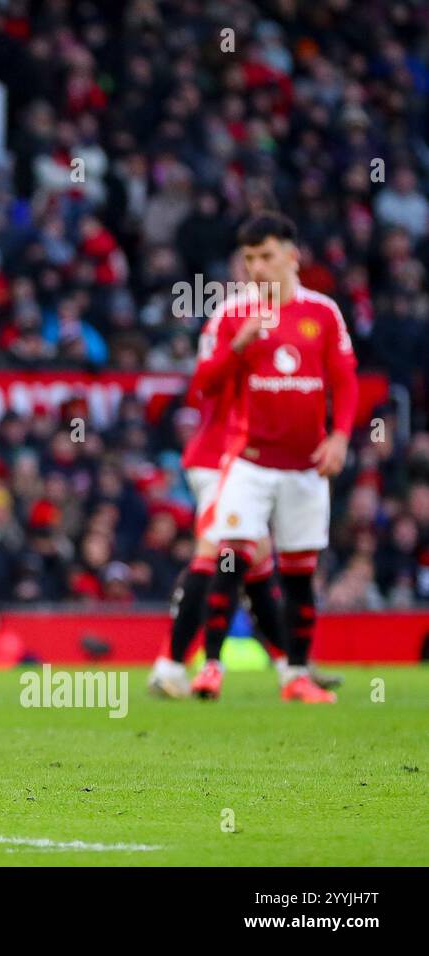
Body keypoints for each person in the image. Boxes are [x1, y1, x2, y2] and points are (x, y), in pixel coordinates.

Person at [174, 212, 357, 703]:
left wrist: (339, 437)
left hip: (305, 466)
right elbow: (202, 387)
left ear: (291, 256)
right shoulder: (232, 315)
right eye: (249, 258)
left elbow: (345, 380)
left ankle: (296, 675)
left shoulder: (323, 313)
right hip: (248, 461)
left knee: (298, 572)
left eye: (266, 256)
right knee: (229, 556)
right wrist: (238, 347)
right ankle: (209, 666)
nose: (256, 267)